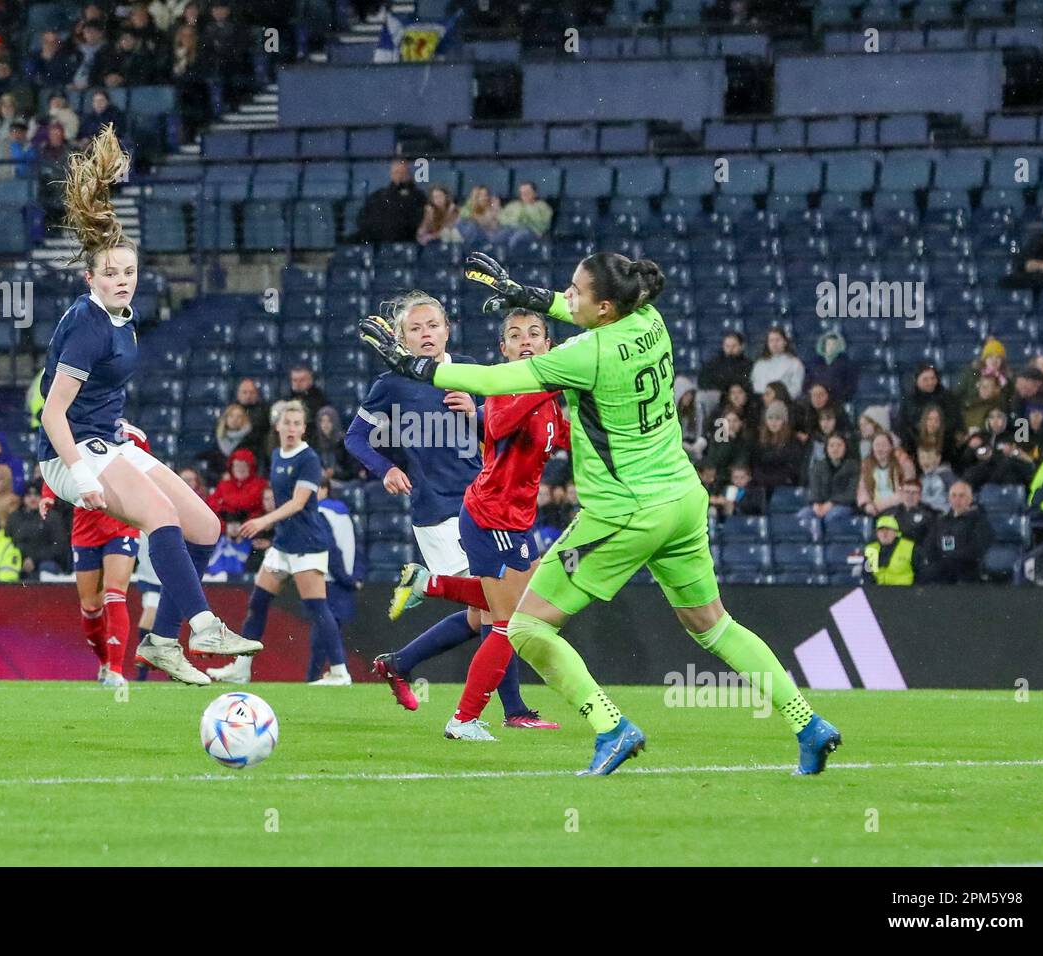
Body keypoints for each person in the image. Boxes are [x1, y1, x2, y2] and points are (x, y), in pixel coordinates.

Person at [361, 250, 842, 776]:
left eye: (576, 291)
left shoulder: (586, 354)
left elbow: (498, 382)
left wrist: (416, 366)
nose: (567, 297)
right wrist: (527, 295)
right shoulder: (651, 320)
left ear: (605, 306)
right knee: (714, 625)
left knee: (524, 628)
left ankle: (610, 725)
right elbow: (572, 313)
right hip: (682, 500)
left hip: (622, 514)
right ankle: (808, 724)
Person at [36, 126, 255, 685]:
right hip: (71, 455)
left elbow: (93, 394)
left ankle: (160, 644)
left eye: (129, 271)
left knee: (205, 528)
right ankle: (202, 626)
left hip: (104, 438)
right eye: (111, 273)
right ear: (90, 277)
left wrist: (114, 421)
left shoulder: (120, 318)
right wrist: (81, 474)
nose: (123, 280)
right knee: (159, 515)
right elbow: (52, 412)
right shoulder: (88, 324)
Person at [383, 308, 568, 738]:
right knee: (509, 622)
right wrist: (556, 378)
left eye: (535, 334)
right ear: (503, 350)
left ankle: (429, 585)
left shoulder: (549, 403)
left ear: (548, 346)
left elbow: (566, 438)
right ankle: (464, 718)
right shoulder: (509, 391)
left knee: (497, 609)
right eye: (516, 336)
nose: (526, 341)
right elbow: (498, 422)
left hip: (516, 520)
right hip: (492, 517)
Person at [344, 292, 490, 706]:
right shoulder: (392, 384)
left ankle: (400, 661)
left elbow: (503, 432)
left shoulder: (471, 373)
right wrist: (387, 469)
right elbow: (355, 437)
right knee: (497, 609)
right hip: (437, 510)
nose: (426, 334)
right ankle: (511, 710)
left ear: (448, 329)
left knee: (488, 612)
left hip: (483, 501)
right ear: (402, 339)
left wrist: (476, 415)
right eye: (415, 328)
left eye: (433, 325)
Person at [206, 402, 352, 686]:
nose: (292, 429)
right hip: (283, 544)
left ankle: (339, 671)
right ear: (278, 426)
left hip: (306, 544)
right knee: (258, 603)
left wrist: (264, 521)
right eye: (288, 423)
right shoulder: (276, 454)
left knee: (317, 608)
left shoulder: (308, 459)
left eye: (298, 424)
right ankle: (241, 668)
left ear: (304, 428)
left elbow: (299, 503)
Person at [41, 424, 145, 685]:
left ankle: (117, 670)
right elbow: (56, 464)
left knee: (114, 593)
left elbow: (149, 474)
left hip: (122, 523)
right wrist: (47, 496)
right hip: (86, 526)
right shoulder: (77, 432)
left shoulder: (134, 437)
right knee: (90, 606)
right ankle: (104, 662)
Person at [921, 482, 993, 583]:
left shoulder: (979, 521)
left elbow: (977, 548)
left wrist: (950, 557)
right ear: (949, 499)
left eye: (961, 496)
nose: (957, 499)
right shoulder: (941, 521)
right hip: (941, 569)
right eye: (953, 495)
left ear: (970, 499)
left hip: (966, 570)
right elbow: (929, 545)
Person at [318, 480, 364, 633]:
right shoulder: (344, 511)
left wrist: (345, 578)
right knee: (337, 636)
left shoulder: (319, 512)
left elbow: (330, 549)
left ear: (325, 489)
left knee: (323, 639)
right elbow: (357, 544)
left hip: (328, 581)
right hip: (344, 582)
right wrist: (355, 577)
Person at [6, 481, 71, 577]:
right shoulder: (14, 518)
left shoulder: (52, 517)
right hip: (19, 561)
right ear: (23, 498)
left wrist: (34, 559)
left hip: (46, 562)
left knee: (47, 567)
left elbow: (60, 547)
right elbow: (8, 543)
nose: (33, 498)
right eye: (29, 495)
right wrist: (22, 560)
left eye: (36, 495)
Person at [355, 158, 426, 244]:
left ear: (408, 174)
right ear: (391, 174)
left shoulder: (418, 197)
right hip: (379, 244)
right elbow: (363, 219)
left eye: (402, 173)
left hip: (409, 243)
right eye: (396, 172)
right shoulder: (378, 196)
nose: (399, 176)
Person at [804, 433, 859, 531]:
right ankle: (815, 543)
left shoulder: (854, 466)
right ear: (826, 448)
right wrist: (816, 503)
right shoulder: (818, 466)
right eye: (832, 445)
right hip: (821, 505)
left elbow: (851, 493)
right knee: (804, 514)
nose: (835, 449)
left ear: (845, 447)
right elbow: (814, 489)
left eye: (839, 445)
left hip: (843, 505)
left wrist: (831, 503)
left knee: (832, 515)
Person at [751, 400, 806, 493]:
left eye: (778, 418)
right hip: (761, 486)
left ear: (784, 421)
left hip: (783, 488)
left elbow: (792, 470)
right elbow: (755, 464)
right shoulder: (759, 440)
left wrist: (770, 480)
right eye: (770, 418)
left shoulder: (793, 441)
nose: (773, 422)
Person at [858, 431, 914, 515]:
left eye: (884, 445)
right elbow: (862, 489)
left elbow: (908, 489)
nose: (880, 449)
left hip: (897, 507)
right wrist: (866, 504)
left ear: (891, 447)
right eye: (877, 445)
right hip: (874, 508)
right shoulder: (867, 466)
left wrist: (881, 505)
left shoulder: (902, 464)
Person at [206, 448, 267, 520]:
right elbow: (210, 503)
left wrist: (224, 503)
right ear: (231, 467)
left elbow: (248, 503)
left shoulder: (260, 484)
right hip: (226, 525)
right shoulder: (224, 484)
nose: (240, 469)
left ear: (251, 467)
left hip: (251, 524)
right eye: (237, 465)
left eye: (244, 465)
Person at [862, 514, 921, 586]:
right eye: (881, 530)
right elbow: (867, 574)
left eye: (888, 529)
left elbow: (921, 574)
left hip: (904, 592)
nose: (884, 533)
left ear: (896, 533)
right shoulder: (872, 550)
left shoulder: (910, 548)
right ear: (876, 533)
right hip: (879, 592)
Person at [804, 330, 859, 406]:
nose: (831, 347)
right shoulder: (814, 363)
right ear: (823, 345)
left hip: (836, 402)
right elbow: (807, 384)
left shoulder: (847, 364)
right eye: (828, 344)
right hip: (815, 401)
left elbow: (850, 389)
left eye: (834, 345)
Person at [750, 326, 805, 399]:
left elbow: (796, 389)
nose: (774, 344)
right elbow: (755, 385)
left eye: (777, 340)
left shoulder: (795, 363)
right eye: (771, 340)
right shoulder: (759, 364)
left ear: (785, 342)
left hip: (785, 403)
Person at [879, 479, 933, 546]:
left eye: (914, 493)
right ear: (901, 494)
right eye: (907, 492)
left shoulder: (929, 515)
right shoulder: (889, 513)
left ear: (920, 496)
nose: (910, 496)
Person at [698, 330, 753, 396]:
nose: (730, 349)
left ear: (741, 346)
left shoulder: (749, 365)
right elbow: (703, 382)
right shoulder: (713, 365)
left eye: (734, 346)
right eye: (727, 346)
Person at [916, 447, 956, 515]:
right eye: (922, 457)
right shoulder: (921, 478)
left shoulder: (946, 476)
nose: (925, 461)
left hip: (942, 514)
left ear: (938, 458)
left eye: (929, 457)